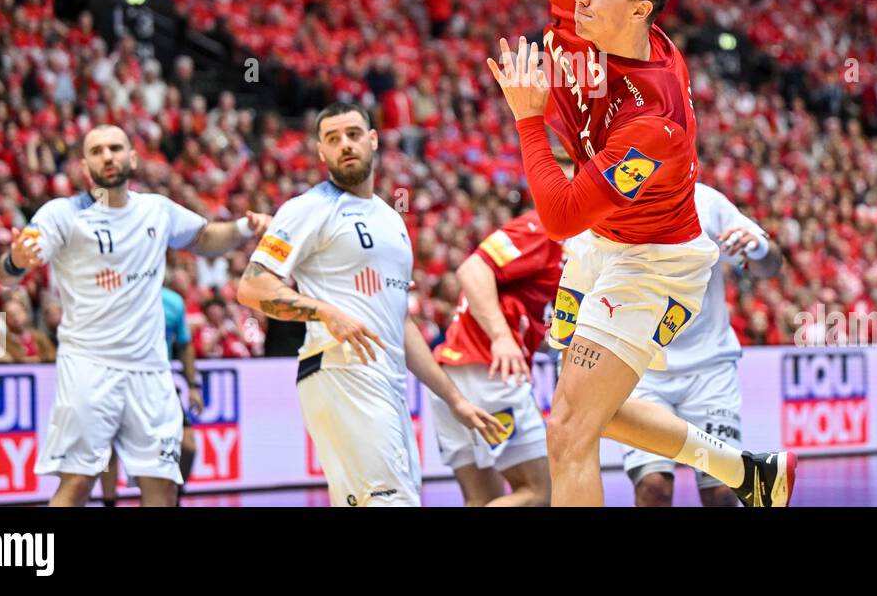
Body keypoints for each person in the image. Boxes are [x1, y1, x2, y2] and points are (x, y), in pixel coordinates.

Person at [384, 0, 795, 507]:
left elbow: (561, 213)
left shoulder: (654, 119)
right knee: (583, 415)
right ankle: (749, 470)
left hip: (651, 257)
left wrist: (530, 118)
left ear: (640, 11)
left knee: (570, 430)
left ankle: (742, 471)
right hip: (597, 245)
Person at [237, 101, 504, 507]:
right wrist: (325, 311)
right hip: (339, 369)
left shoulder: (391, 219)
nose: (345, 145)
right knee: (391, 501)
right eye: (333, 139)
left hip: (386, 381)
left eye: (353, 134)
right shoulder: (308, 208)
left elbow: (400, 321)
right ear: (320, 153)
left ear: (373, 141)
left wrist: (455, 399)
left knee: (379, 500)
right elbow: (252, 287)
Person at [0, 124, 271, 507]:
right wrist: (15, 261)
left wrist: (246, 226)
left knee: (162, 488)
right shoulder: (61, 215)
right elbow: (7, 274)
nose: (108, 156)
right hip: (89, 367)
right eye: (97, 151)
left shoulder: (156, 210)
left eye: (115, 148)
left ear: (133, 157)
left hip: (151, 371)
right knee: (77, 483)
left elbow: (206, 239)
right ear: (84, 165)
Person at [625, 182, 782, 507]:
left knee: (722, 491)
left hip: (709, 368)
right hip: (642, 368)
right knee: (653, 486)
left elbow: (771, 266)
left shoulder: (706, 201)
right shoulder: (616, 197)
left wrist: (758, 250)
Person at [430, 191, 571, 506]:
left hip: (453, 375)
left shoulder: (570, 250)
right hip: (489, 369)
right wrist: (501, 337)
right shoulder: (541, 228)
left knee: (482, 499)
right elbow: (471, 270)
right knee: (538, 493)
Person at [99, 277, 203, 506]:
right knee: (107, 446)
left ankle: (175, 495)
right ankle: (108, 501)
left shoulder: (173, 302)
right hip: (115, 379)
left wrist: (193, 386)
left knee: (188, 446)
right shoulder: (116, 296)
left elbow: (184, 344)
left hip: (159, 382)